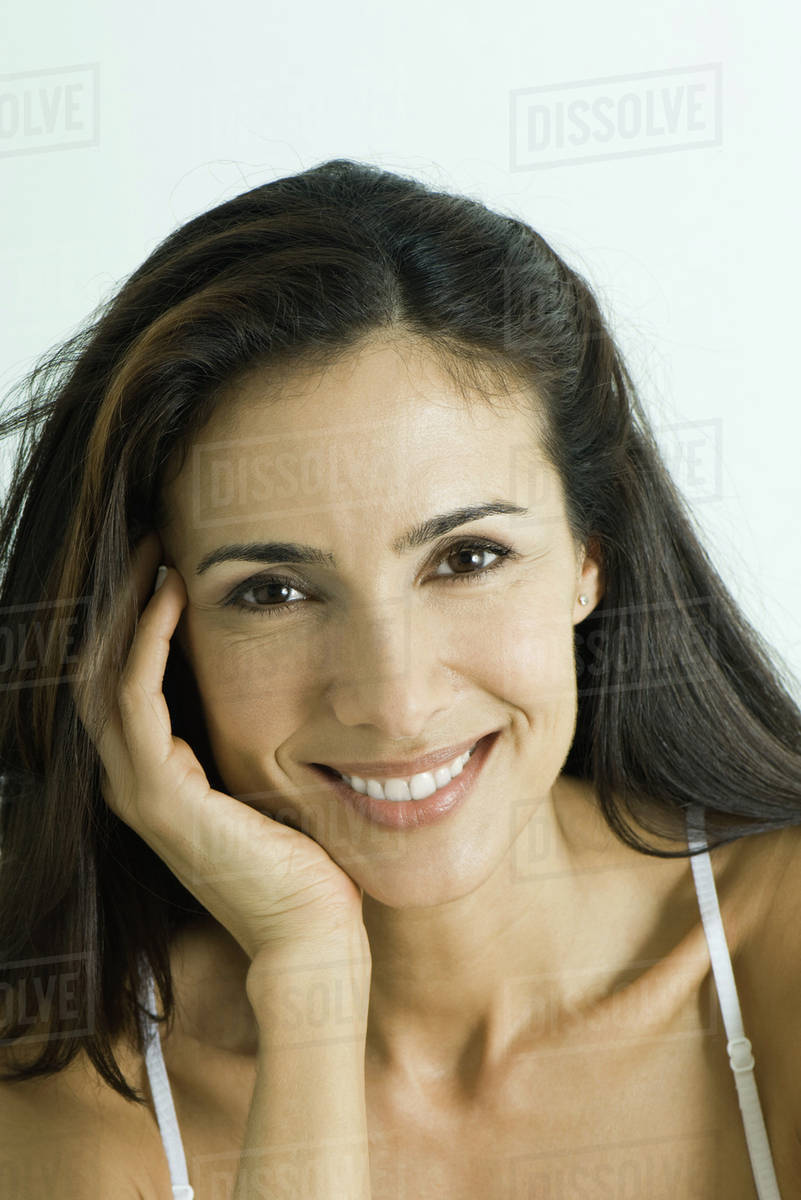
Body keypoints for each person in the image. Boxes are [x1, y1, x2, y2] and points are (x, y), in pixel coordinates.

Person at [0, 158, 800, 1200]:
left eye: (466, 559)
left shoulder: (777, 937)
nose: (394, 698)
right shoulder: (62, 1091)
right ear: (145, 634)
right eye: (275, 590)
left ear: (589, 555)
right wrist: (307, 980)